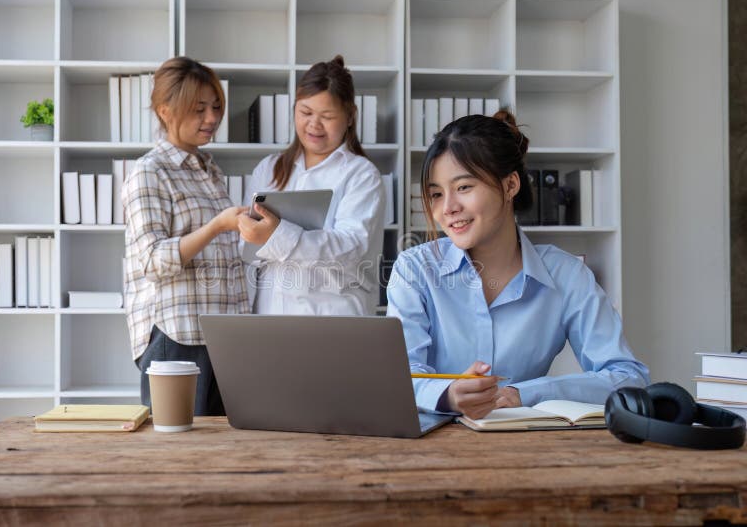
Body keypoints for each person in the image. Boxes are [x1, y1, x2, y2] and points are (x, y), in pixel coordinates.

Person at [386, 111, 650, 420]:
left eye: (464, 187)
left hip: (525, 445)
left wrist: (523, 394)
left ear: (511, 185)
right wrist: (447, 395)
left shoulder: (566, 275)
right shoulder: (415, 269)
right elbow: (401, 374)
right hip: (431, 447)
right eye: (436, 194)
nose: (448, 209)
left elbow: (628, 378)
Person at [122, 57, 250, 416]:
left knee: (222, 451)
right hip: (177, 336)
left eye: (216, 107)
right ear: (165, 111)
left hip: (222, 335)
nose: (211, 119)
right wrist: (215, 227)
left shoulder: (209, 170)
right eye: (198, 109)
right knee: (176, 454)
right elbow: (152, 261)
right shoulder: (149, 172)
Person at [237, 55, 385, 315]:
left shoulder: (361, 174)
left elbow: (350, 246)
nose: (314, 125)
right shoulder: (269, 169)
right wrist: (250, 234)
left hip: (333, 319)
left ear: (350, 117)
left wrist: (277, 235)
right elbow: (249, 252)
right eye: (305, 112)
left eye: (327, 116)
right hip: (272, 317)